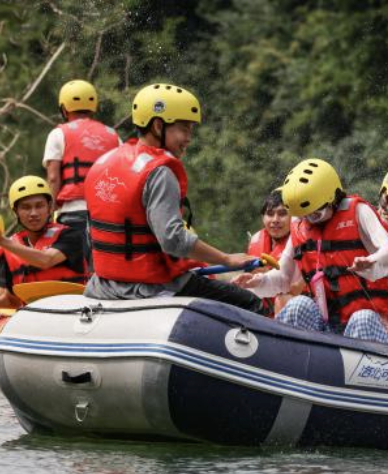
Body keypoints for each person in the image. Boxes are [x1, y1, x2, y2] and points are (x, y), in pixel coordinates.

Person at [83, 83, 266, 314]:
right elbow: (173, 240)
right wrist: (227, 259)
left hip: (103, 286)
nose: (189, 138)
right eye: (184, 129)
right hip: (153, 287)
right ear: (158, 126)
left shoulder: (103, 162)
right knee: (251, 303)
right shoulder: (159, 172)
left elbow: (90, 235)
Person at [235, 158, 388, 342]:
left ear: (333, 199)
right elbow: (282, 278)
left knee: (363, 318)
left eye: (315, 214)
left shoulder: (358, 211)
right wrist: (257, 283)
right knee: (299, 305)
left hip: (366, 324)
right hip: (327, 325)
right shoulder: (300, 226)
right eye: (304, 216)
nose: (310, 220)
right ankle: (282, 356)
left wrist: (372, 262)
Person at [43, 79, 120, 264]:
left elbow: (53, 178)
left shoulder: (58, 134)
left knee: (75, 272)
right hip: (108, 216)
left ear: (64, 108)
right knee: (102, 269)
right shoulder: (113, 135)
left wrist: (48, 212)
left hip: (72, 214)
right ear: (93, 107)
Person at [0, 176, 89, 308]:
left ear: (49, 208)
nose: (34, 213)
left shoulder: (70, 235)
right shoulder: (9, 250)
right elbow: (12, 300)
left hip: (73, 313)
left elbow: (46, 260)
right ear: (16, 212)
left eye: (39, 206)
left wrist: (2, 241)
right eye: (26, 207)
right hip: (36, 318)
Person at [246, 189, 302, 313]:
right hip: (262, 312)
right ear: (262, 217)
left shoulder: (300, 241)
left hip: (291, 308)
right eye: (270, 214)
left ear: (292, 217)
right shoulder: (255, 240)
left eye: (282, 214)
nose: (275, 220)